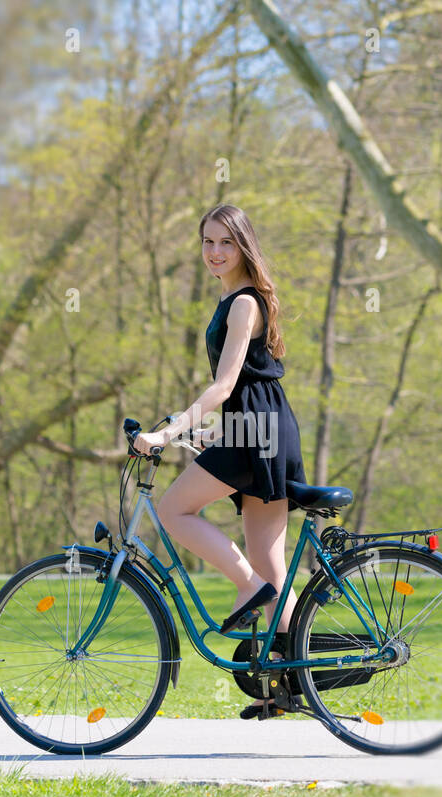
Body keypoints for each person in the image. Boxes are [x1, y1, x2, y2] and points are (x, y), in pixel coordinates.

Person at [132, 203, 308, 718]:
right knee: (274, 569)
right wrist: (212, 432)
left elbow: (227, 384)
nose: (214, 252)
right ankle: (290, 685)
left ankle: (248, 590)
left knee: (171, 512)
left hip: (258, 431)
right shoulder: (234, 298)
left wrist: (170, 431)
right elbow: (248, 388)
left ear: (243, 246)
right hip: (260, 429)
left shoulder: (243, 305)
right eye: (207, 242)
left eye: (225, 243)